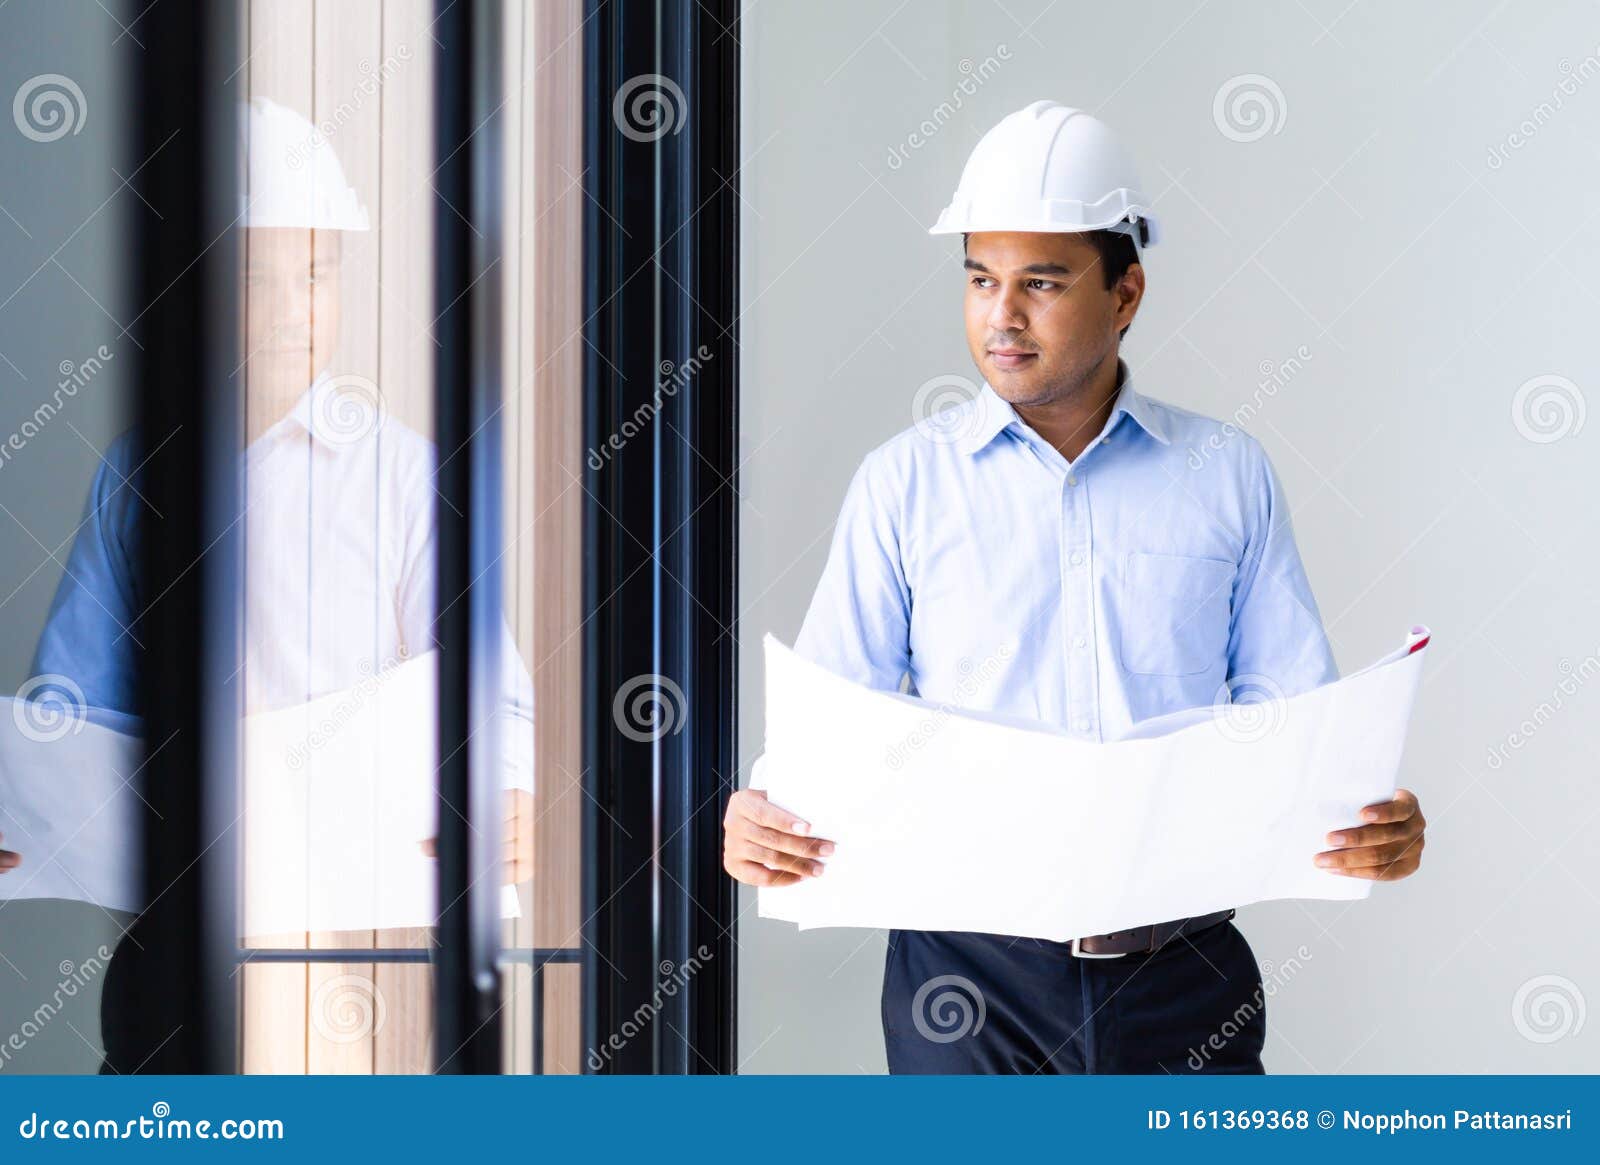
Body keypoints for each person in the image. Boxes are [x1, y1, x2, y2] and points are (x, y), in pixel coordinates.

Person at [721, 101, 1427, 1074]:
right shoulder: (903, 484)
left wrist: (1363, 818)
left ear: (1125, 291)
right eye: (979, 280)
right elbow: (840, 723)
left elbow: (1289, 716)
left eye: (1040, 284)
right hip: (962, 987)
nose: (1000, 317)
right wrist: (767, 804)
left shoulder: (1224, 474)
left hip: (1182, 981)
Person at [1, 98, 535, 1069]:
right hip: (184, 951)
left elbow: (491, 702)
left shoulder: (410, 477)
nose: (296, 309)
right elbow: (74, 705)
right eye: (257, 276)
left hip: (369, 956)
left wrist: (509, 792)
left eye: (319, 274)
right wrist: (23, 805)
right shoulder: (142, 471)